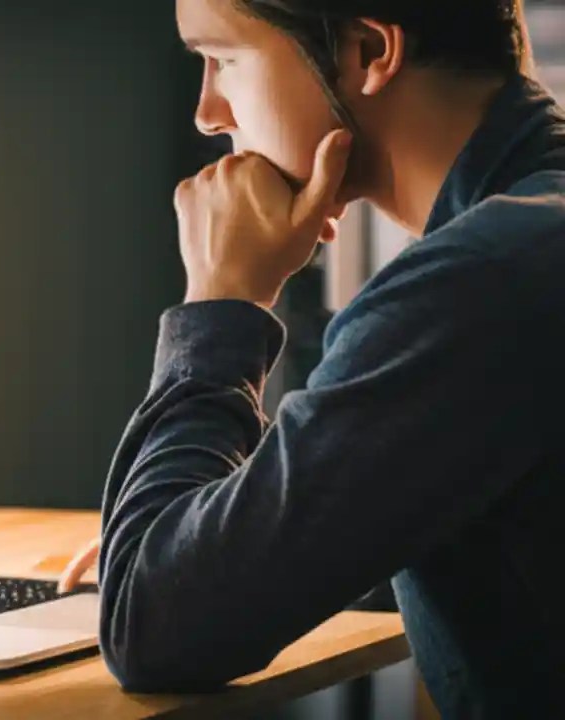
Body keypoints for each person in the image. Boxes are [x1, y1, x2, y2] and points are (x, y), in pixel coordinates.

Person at [56, 0, 564, 715]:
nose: (207, 111)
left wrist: (221, 298)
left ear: (366, 51)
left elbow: (151, 627)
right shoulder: (530, 240)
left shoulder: (475, 286)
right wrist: (240, 530)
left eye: (225, 58)